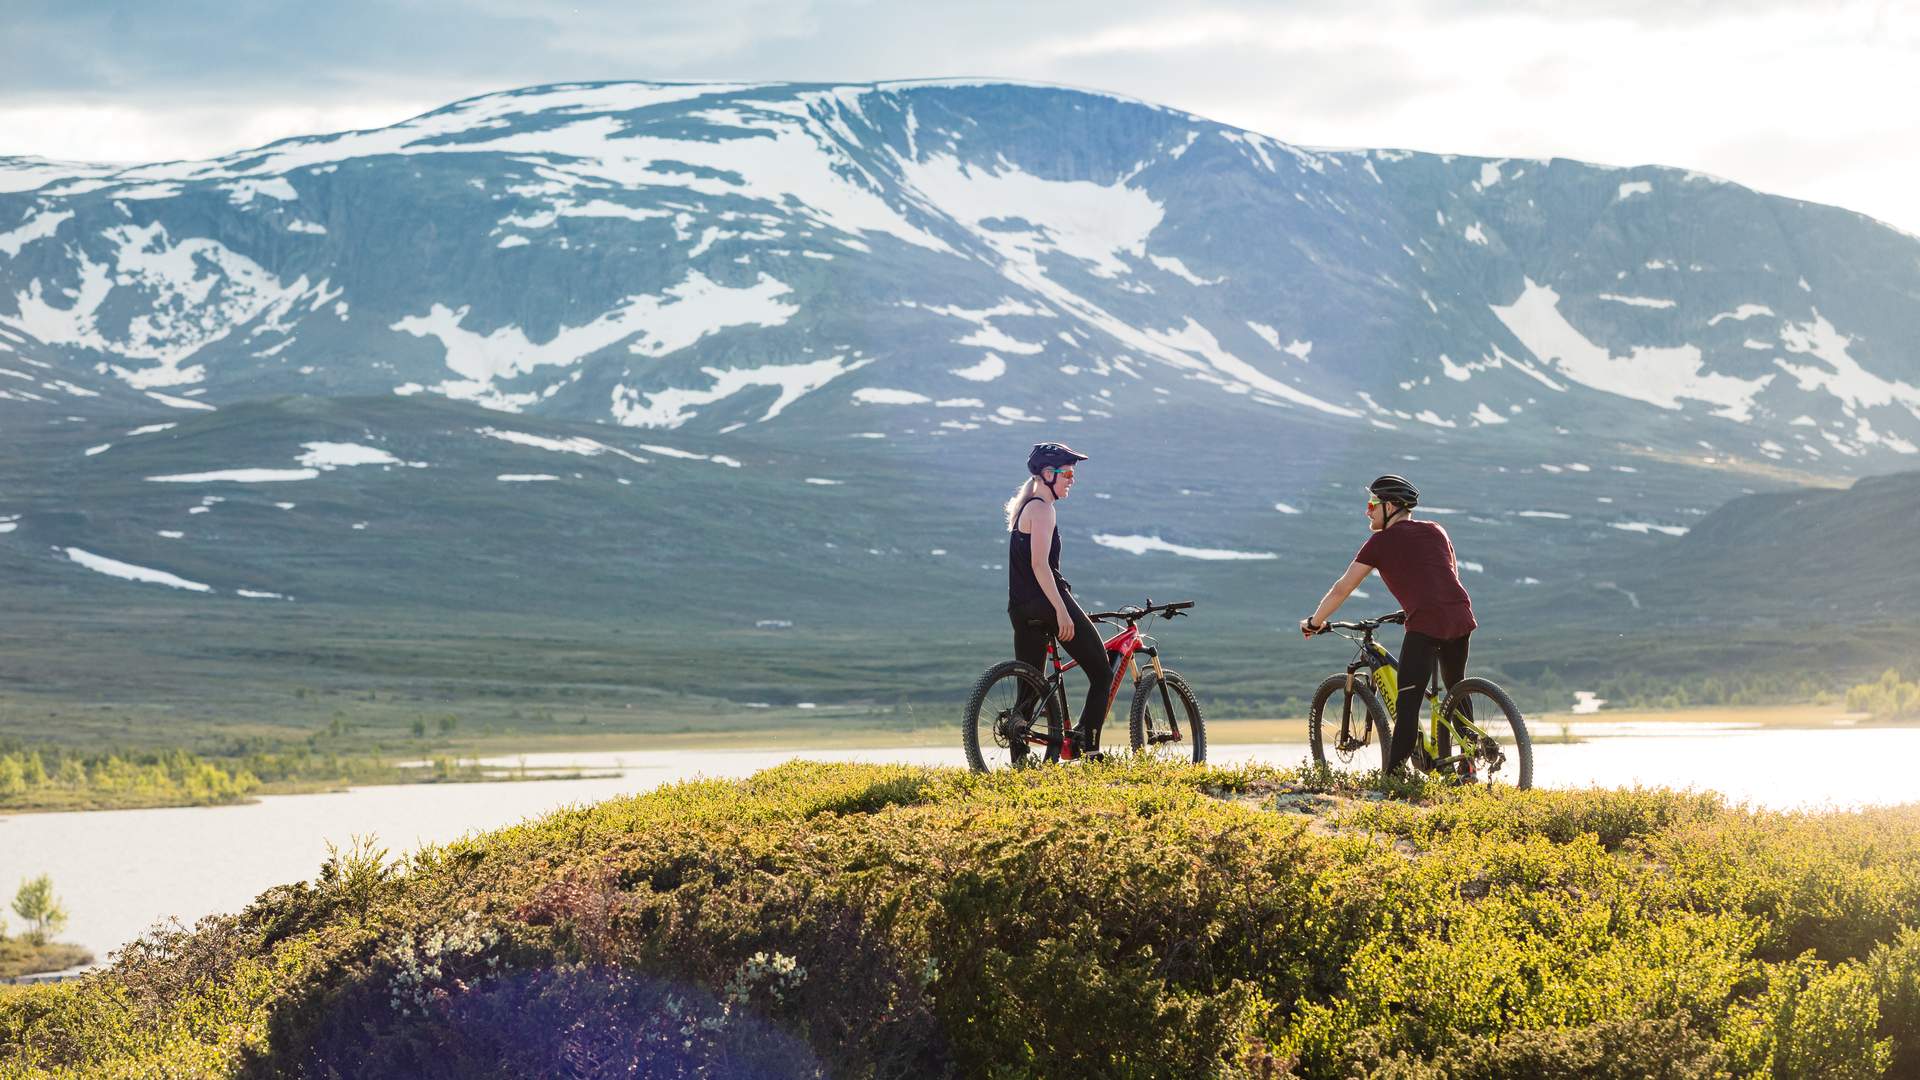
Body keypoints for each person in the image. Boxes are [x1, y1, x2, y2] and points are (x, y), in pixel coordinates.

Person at [1300, 474, 1476, 773]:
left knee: (1408, 706)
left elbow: (1342, 588)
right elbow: (1448, 576)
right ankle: (1469, 761)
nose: (1367, 511)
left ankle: (1391, 779)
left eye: (1372, 504)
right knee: (1455, 686)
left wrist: (1316, 621)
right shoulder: (1436, 530)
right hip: (1460, 614)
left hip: (1426, 623)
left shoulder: (1379, 542)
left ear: (1390, 506)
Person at [1007, 442, 1111, 754]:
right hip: (1046, 601)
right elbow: (1040, 565)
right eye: (1067, 474)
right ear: (1047, 474)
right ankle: (1089, 750)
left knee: (1030, 686)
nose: (1072, 480)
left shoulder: (1026, 508)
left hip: (1020, 608)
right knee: (1102, 672)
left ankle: (1019, 759)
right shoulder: (1042, 509)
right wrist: (1062, 612)